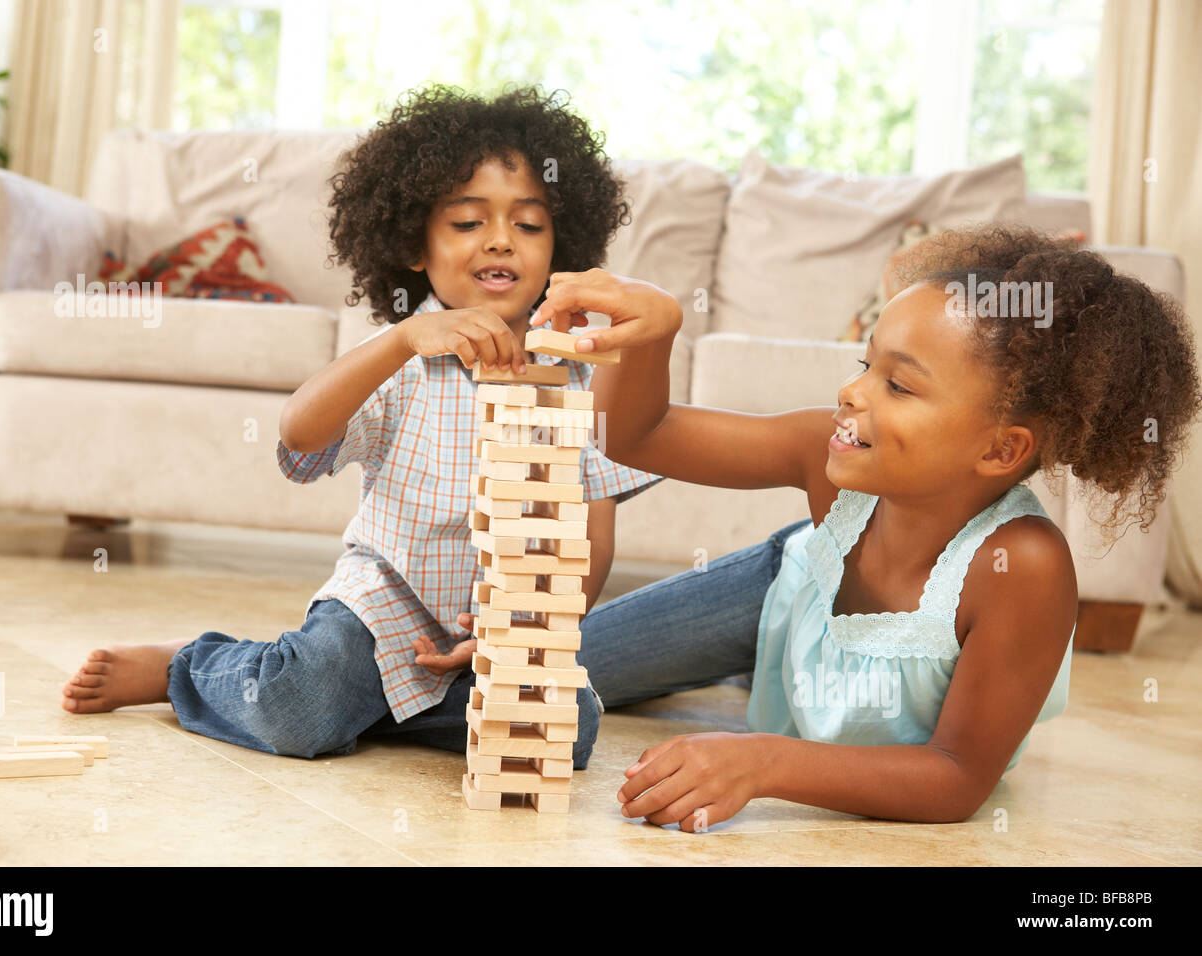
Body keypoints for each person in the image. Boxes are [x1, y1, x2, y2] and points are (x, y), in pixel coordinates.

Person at [59, 86, 660, 769]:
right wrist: (400, 340)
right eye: (468, 222)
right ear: (413, 246)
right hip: (381, 610)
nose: (500, 238)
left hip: (495, 630)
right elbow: (300, 434)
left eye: (528, 225)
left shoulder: (580, 377)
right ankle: (194, 664)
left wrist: (532, 627)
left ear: (560, 245)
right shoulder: (404, 359)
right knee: (298, 708)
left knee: (568, 730)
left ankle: (370, 706)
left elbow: (591, 538)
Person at [530, 224, 1201, 829]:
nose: (852, 392)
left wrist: (762, 762)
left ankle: (757, 676)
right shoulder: (828, 459)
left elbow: (956, 778)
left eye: (898, 386)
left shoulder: (1022, 566)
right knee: (540, 675)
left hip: (844, 660)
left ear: (1001, 449)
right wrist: (654, 332)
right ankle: (757, 663)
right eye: (865, 365)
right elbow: (637, 437)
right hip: (778, 595)